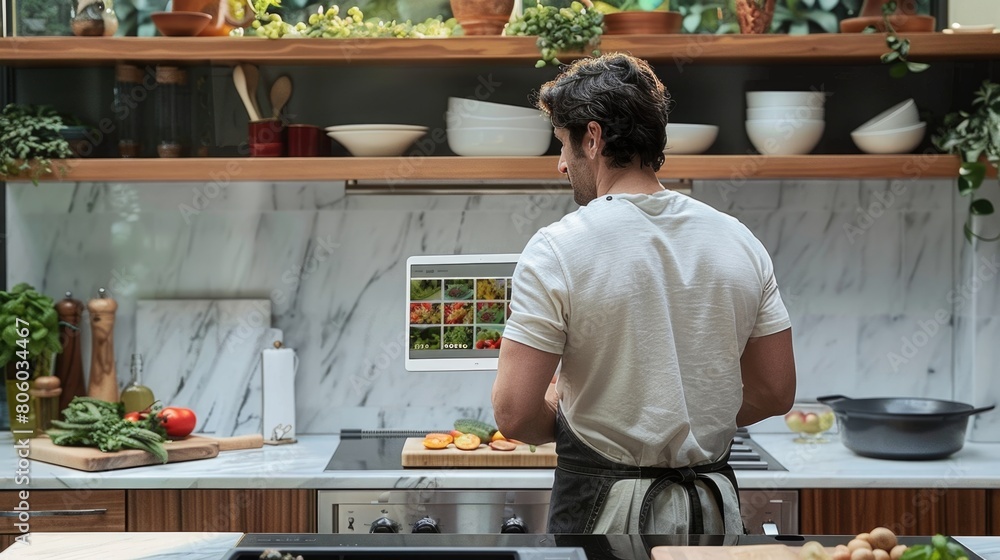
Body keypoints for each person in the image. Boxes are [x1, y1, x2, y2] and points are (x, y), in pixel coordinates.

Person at [491, 53, 797, 535]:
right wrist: (685, 412)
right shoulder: (739, 239)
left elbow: (514, 414)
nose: (560, 165)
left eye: (564, 146)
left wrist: (607, 415)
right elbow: (776, 391)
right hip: (713, 510)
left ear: (591, 139)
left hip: (605, 513)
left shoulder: (557, 248)